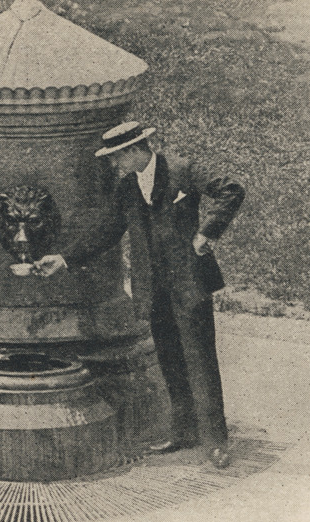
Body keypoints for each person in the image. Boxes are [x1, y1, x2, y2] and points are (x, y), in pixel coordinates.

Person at [35, 122, 245, 469]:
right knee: (171, 360)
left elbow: (232, 190)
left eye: (117, 158)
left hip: (189, 282)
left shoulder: (182, 169)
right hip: (152, 287)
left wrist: (208, 232)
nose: (115, 165)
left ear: (134, 150)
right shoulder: (128, 186)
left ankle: (216, 441)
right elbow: (108, 230)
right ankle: (184, 432)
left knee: (200, 361)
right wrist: (65, 259)